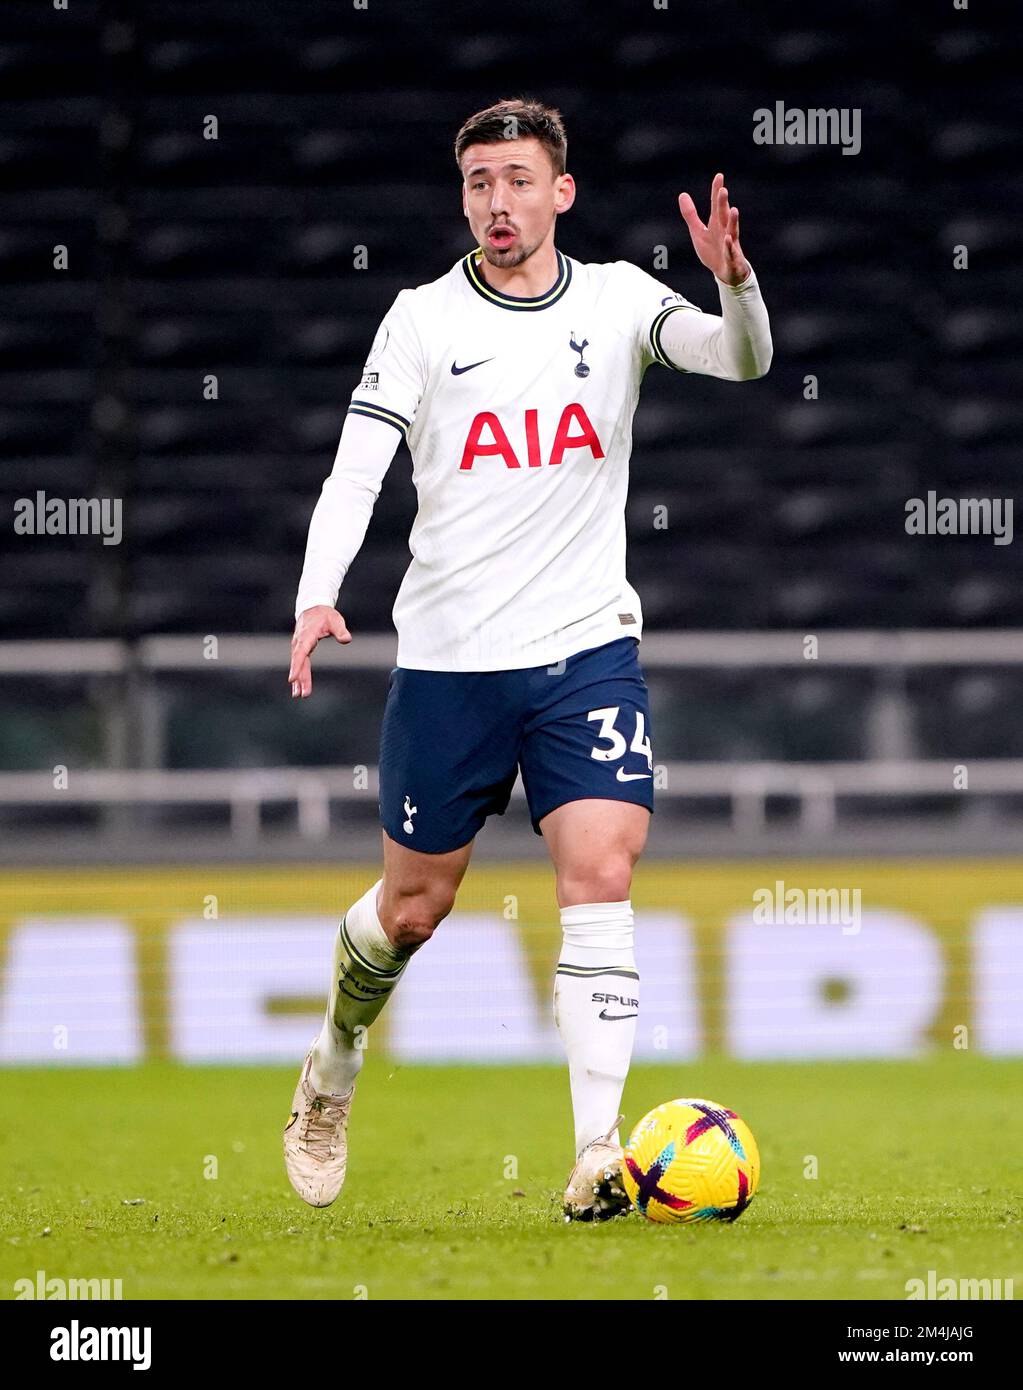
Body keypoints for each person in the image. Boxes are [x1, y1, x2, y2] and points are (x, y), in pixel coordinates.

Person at [284, 97, 772, 1219]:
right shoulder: (419, 319)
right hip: (451, 662)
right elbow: (355, 472)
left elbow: (743, 362)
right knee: (413, 910)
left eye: (517, 181)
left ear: (562, 192)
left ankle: (598, 1151)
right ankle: (331, 1069)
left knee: (601, 870)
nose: (496, 203)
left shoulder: (620, 300)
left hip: (585, 650)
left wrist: (734, 282)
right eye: (477, 184)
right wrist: (319, 595)